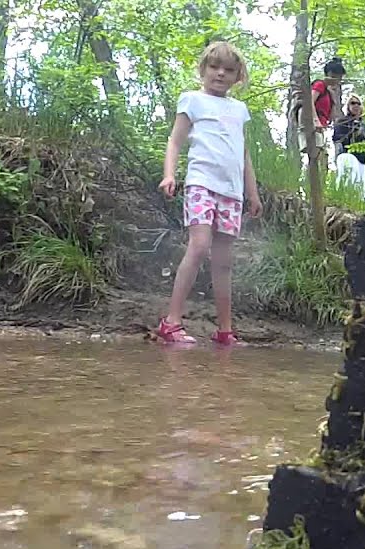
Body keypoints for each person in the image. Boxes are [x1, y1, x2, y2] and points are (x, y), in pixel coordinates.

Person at [157, 41, 263, 346]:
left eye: (228, 70)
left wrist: (252, 193)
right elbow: (175, 141)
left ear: (238, 76)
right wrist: (169, 174)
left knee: (224, 260)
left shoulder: (239, 110)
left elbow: (243, 154)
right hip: (201, 184)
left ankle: (225, 330)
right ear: (203, 70)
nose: (220, 74)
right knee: (199, 245)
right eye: (214, 67)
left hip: (232, 192)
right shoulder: (192, 100)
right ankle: (171, 322)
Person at [292, 57, 346, 168]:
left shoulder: (328, 92)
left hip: (320, 125)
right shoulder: (320, 85)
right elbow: (310, 102)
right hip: (312, 124)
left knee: (321, 154)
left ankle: (319, 176)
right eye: (338, 78)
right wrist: (315, 120)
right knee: (316, 153)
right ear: (331, 74)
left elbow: (331, 115)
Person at [332, 95, 365, 165]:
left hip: (361, 160)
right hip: (346, 157)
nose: (356, 105)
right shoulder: (342, 122)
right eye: (353, 103)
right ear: (348, 106)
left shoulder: (363, 125)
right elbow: (337, 139)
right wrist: (353, 131)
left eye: (358, 103)